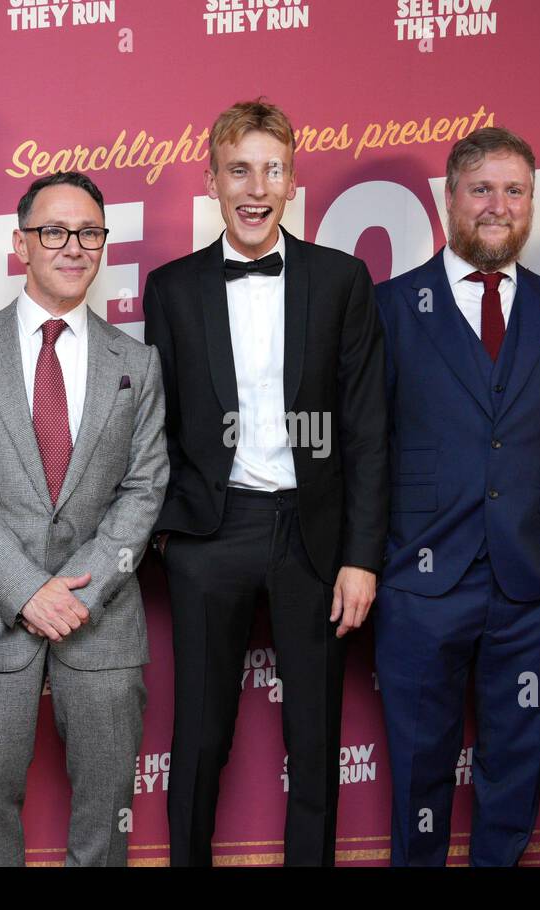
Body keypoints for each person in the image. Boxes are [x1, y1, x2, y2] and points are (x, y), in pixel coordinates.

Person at [143, 99, 388, 866]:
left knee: (313, 737)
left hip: (313, 537)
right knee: (201, 732)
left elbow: (367, 428)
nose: (255, 187)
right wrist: (170, 536)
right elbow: (158, 422)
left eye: (271, 170)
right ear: (212, 180)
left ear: (292, 181)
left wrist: (362, 556)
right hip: (210, 535)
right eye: (239, 169)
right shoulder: (173, 288)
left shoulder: (342, 279)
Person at [373, 127, 540, 866]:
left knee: (516, 771)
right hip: (423, 582)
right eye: (482, 189)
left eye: (515, 191)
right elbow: (365, 450)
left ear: (532, 203)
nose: (498, 206)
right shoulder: (389, 307)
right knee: (418, 773)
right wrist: (377, 563)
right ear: (450, 199)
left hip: (537, 585)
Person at [0, 171, 167, 867]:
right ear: (20, 244)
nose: (73, 246)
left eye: (90, 232)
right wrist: (27, 590)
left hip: (105, 619)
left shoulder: (137, 364)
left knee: (106, 807)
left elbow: (145, 487)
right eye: (54, 231)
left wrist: (78, 595)